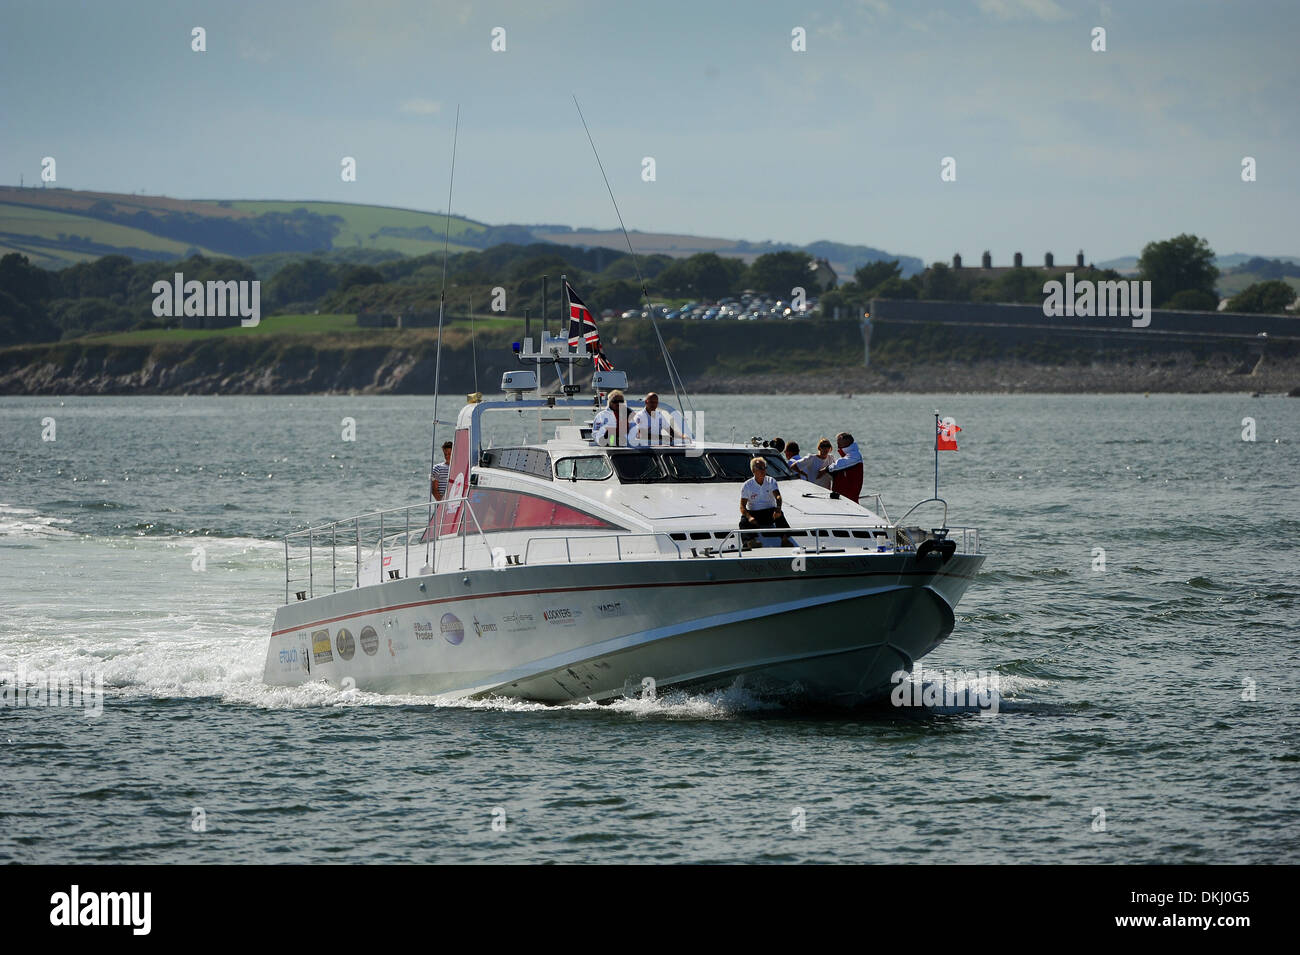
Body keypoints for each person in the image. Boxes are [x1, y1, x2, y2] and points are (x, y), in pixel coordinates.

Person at [739, 457, 794, 547]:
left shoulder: (771, 481)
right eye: (760, 468)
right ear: (753, 470)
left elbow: (778, 496)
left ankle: (785, 540)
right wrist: (749, 517)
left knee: (780, 514)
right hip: (754, 513)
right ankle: (749, 542)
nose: (763, 470)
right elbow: (742, 506)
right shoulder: (747, 485)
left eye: (764, 468)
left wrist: (778, 508)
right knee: (743, 521)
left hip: (770, 512)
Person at [819, 431, 864, 503]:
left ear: (846, 442)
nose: (838, 446)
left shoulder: (855, 455)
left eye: (839, 443)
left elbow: (840, 464)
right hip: (841, 498)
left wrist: (826, 469)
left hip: (849, 499)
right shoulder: (848, 454)